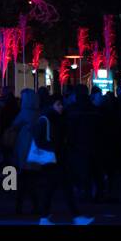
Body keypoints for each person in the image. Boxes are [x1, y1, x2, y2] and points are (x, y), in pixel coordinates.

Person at [30, 94, 93, 225]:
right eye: (58, 104)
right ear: (51, 105)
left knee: (54, 188)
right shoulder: (47, 119)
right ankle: (74, 216)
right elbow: (39, 139)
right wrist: (54, 147)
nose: (61, 107)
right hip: (53, 158)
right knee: (61, 187)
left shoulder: (55, 118)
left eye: (61, 104)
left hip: (56, 158)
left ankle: (47, 217)